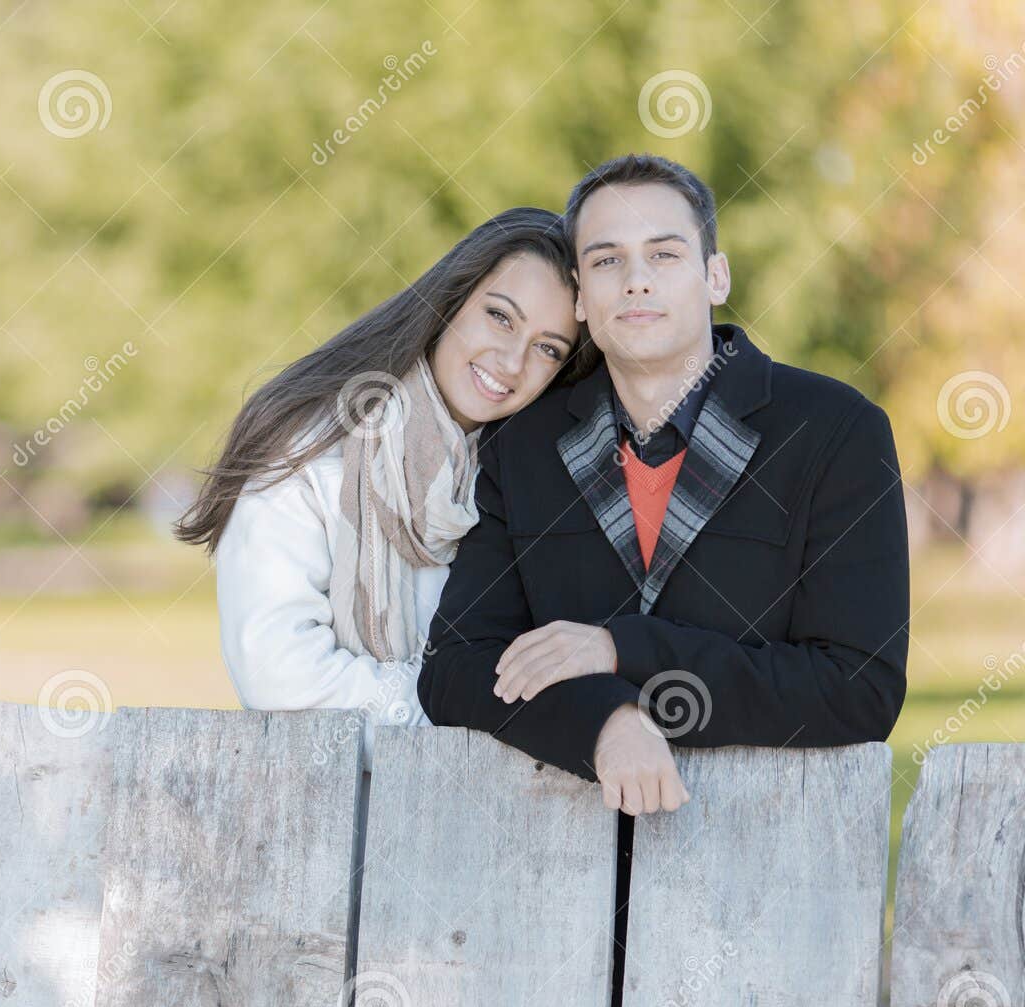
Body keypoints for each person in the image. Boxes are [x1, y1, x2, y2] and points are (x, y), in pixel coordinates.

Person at [419, 154, 910, 816]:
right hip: (555, 848)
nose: (637, 281)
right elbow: (455, 669)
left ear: (715, 276)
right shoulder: (522, 445)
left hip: (765, 841)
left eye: (665, 254)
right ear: (580, 299)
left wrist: (622, 650)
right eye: (607, 261)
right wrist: (605, 718)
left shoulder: (835, 431)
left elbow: (858, 688)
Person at [175, 207, 596, 767]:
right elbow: (278, 672)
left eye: (549, 348)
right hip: (327, 792)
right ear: (450, 300)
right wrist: (458, 711)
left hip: (486, 797)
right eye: (500, 316)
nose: (513, 361)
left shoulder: (532, 482)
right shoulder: (309, 449)